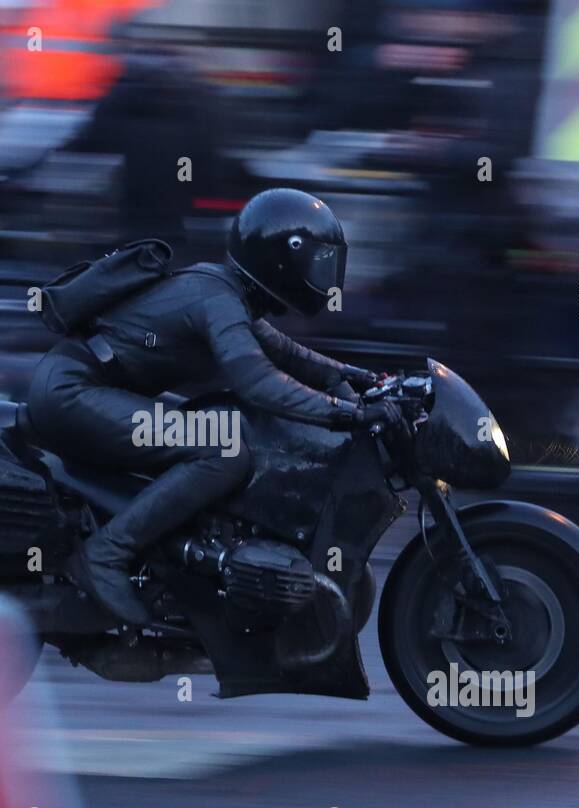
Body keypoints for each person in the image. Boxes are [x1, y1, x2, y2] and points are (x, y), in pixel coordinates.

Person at [26, 188, 402, 624]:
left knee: (225, 426)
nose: (324, 276)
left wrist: (364, 378)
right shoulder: (217, 299)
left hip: (93, 388)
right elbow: (258, 381)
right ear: (280, 261)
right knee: (223, 449)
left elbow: (290, 355)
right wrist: (347, 412)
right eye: (314, 263)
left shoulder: (226, 293)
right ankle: (106, 554)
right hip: (71, 393)